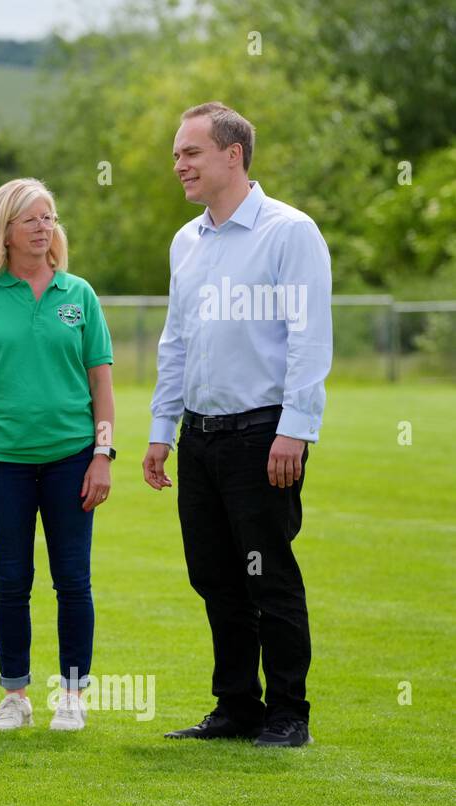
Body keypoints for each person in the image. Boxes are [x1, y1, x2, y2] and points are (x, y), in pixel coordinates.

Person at [145, 102, 332, 748]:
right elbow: (176, 342)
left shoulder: (290, 232)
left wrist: (296, 427)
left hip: (264, 433)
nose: (179, 165)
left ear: (233, 155)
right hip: (200, 436)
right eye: (177, 154)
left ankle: (289, 711)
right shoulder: (185, 241)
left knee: (267, 573)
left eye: (190, 153)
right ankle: (237, 706)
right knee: (215, 575)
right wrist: (161, 430)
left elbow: (310, 337)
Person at [0, 178, 114, 734]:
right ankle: (15, 694)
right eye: (32, 220)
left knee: (73, 580)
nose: (45, 228)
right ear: (6, 231)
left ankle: (72, 693)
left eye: (50, 218)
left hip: (72, 458)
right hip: (2, 461)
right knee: (11, 579)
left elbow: (101, 384)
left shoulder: (80, 295)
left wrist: (103, 453)